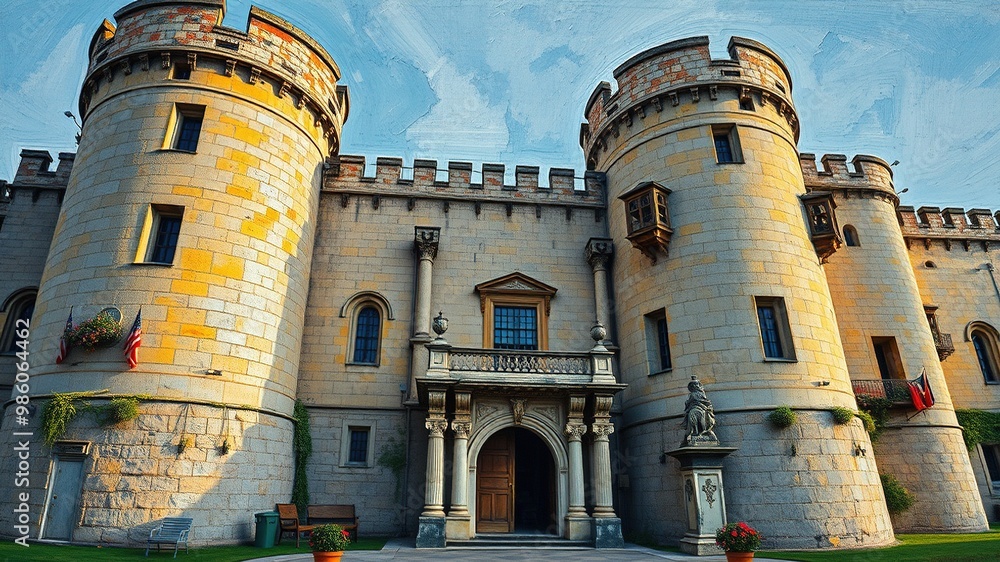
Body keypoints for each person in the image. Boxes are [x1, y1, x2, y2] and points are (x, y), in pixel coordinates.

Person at [683, 377, 718, 446]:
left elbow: (692, 402)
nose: (694, 386)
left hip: (698, 409)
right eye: (693, 385)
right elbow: (705, 402)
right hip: (699, 409)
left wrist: (687, 403)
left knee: (692, 416)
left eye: (695, 385)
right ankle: (697, 432)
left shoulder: (694, 394)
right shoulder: (699, 394)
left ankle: (695, 432)